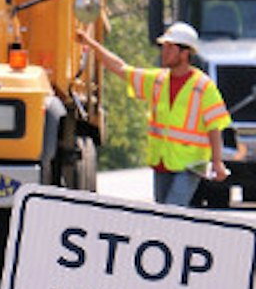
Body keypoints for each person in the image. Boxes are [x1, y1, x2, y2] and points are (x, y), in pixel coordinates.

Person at [75, 21, 231, 206]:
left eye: (169, 48)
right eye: (163, 47)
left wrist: (217, 162)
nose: (163, 52)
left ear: (185, 53)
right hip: (162, 161)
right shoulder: (158, 81)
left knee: (172, 211)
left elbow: (214, 127)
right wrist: (90, 43)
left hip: (190, 165)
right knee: (162, 215)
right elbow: (120, 68)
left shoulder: (203, 86)